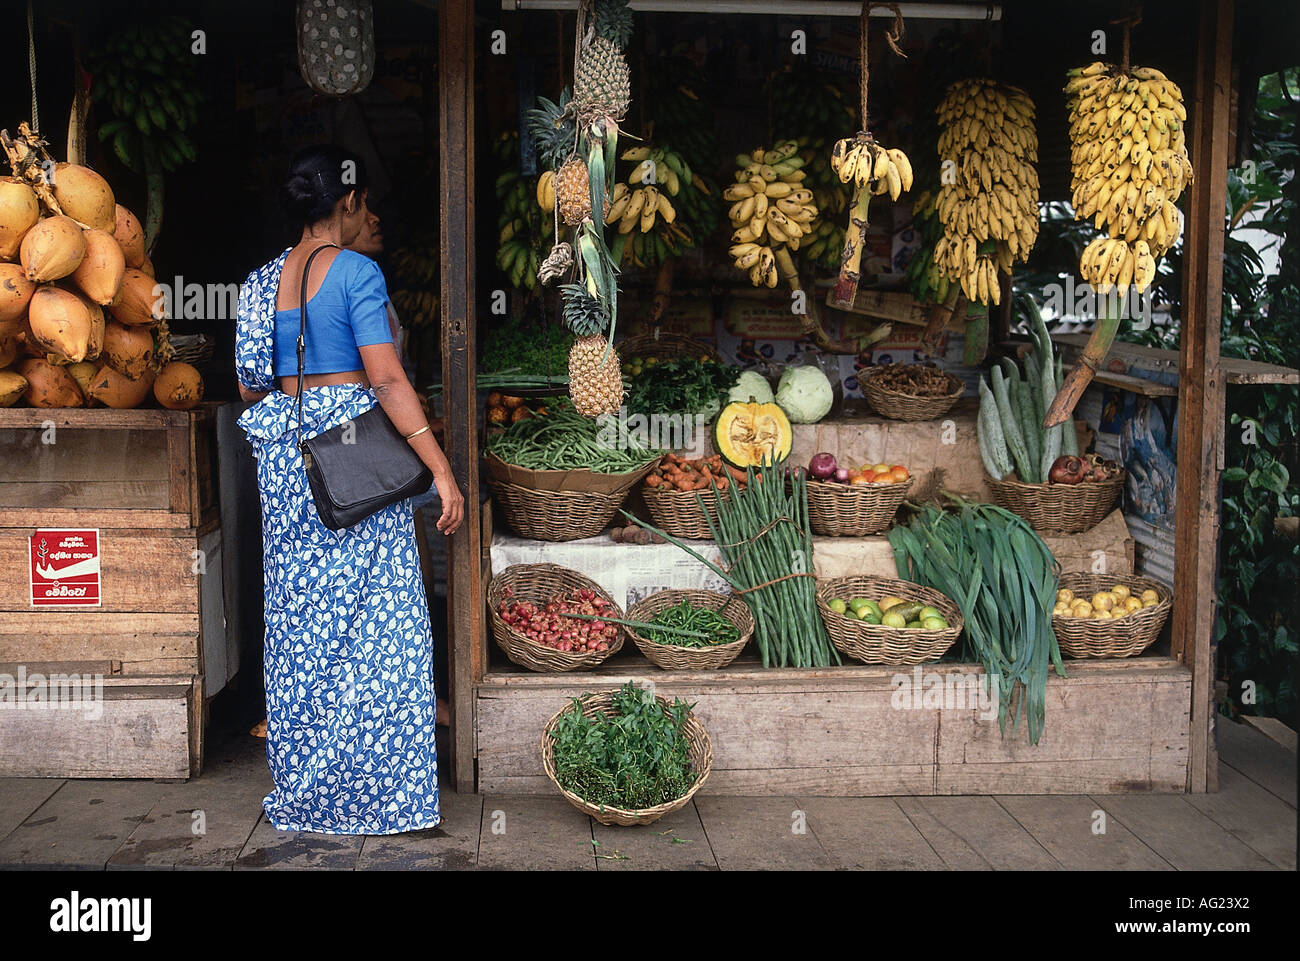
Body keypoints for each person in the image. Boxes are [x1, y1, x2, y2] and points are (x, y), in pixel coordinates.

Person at [234, 144, 464, 835]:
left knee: (303, 634)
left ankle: (309, 796)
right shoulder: (357, 272)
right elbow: (388, 381)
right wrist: (441, 468)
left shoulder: (255, 283)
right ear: (349, 205)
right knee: (382, 630)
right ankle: (383, 799)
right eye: (365, 201)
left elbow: (249, 385)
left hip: (289, 469)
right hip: (355, 467)